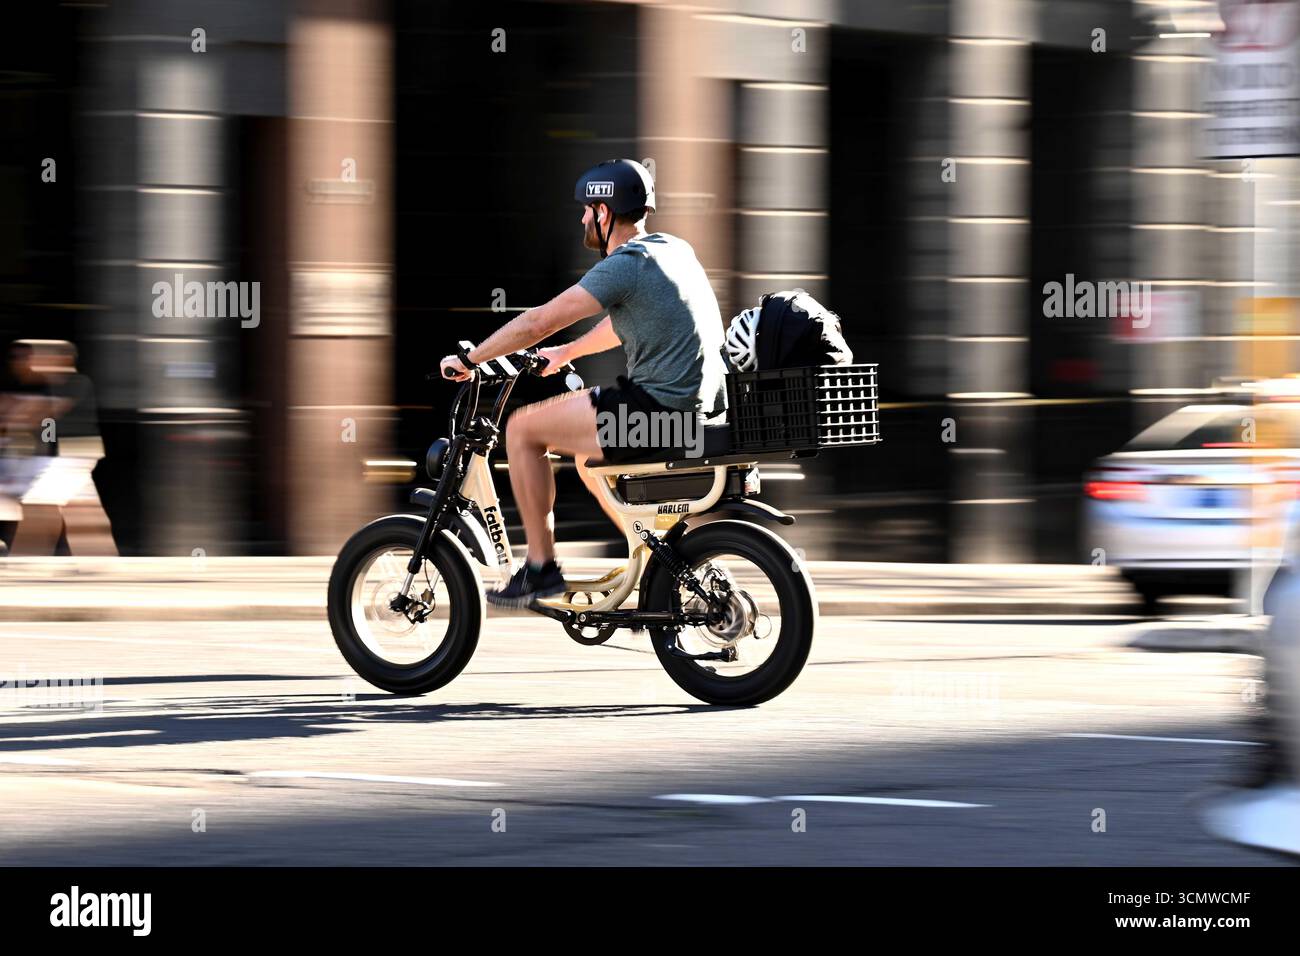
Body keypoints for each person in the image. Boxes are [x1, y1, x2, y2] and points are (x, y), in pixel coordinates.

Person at [439, 159, 727, 607]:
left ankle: (540, 569)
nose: (582, 218)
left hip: (659, 417)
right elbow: (627, 324)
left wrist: (471, 358)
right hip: (698, 416)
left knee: (521, 430)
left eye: (586, 209)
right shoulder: (673, 249)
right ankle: (655, 557)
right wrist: (567, 354)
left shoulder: (625, 264)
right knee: (587, 461)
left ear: (605, 212)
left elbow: (539, 322)